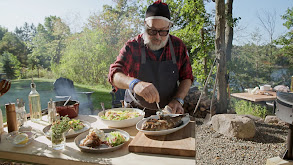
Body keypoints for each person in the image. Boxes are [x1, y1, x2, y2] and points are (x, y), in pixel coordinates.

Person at [108, 0, 193, 117]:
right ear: (144, 25)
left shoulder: (178, 46)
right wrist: (135, 84)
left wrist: (178, 100)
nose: (157, 37)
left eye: (163, 31)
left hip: (168, 112)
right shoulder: (132, 46)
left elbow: (187, 77)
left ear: (169, 27)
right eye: (152, 31)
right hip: (135, 113)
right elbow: (114, 75)